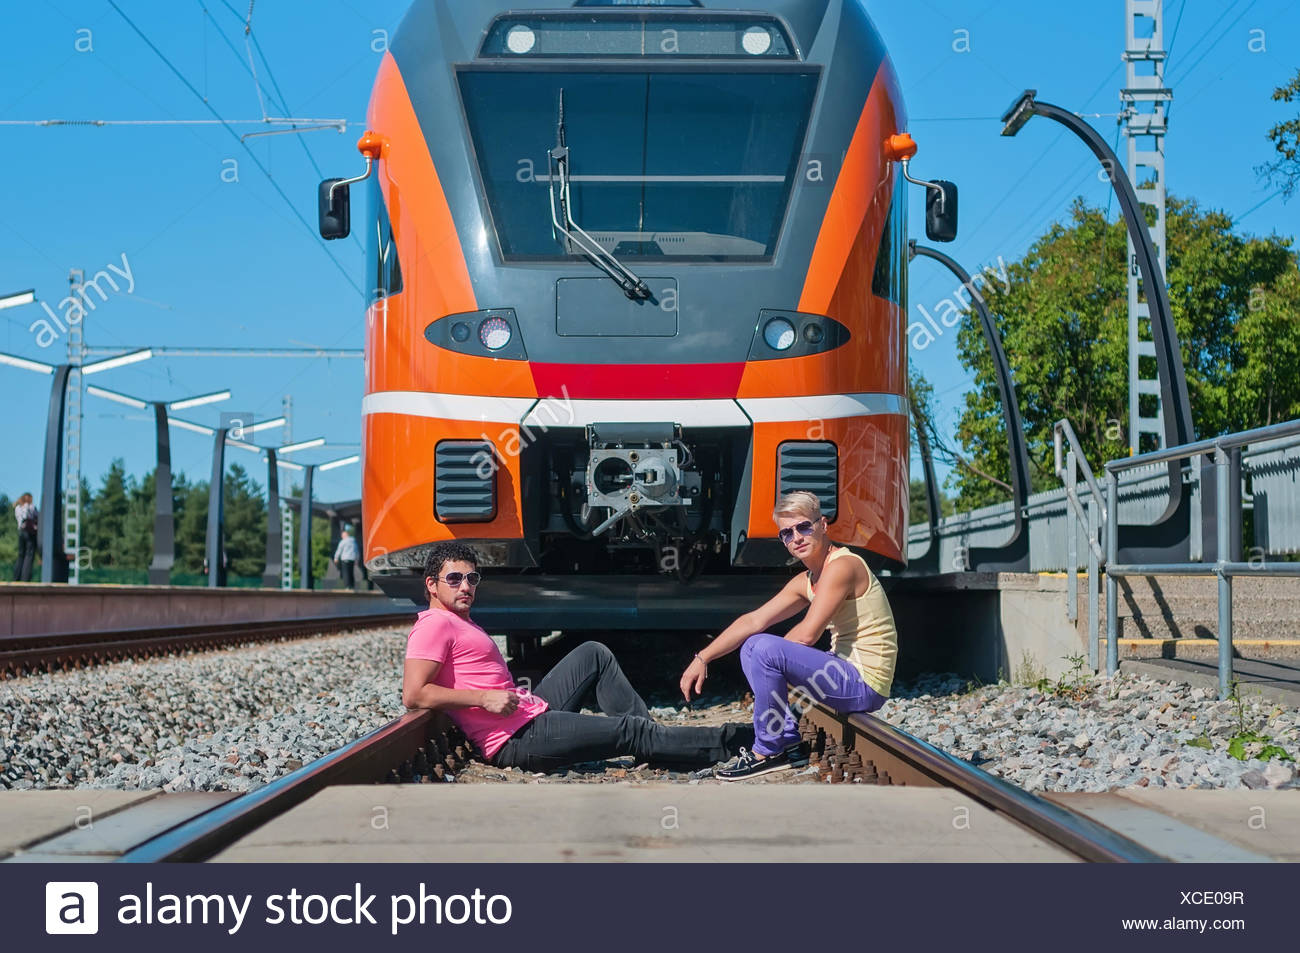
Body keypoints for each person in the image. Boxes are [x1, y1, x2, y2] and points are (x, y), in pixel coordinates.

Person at [402, 541, 752, 774]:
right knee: (629, 730)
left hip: (528, 713)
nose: (465, 586)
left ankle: (654, 740)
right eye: (454, 578)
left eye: (472, 578)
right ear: (432, 584)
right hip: (516, 739)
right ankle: (733, 741)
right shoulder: (434, 625)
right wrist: (484, 699)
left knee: (593, 654)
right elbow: (414, 694)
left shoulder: (459, 620)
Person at [679, 491, 899, 781]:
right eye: (786, 533)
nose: (797, 537)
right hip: (841, 670)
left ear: (823, 525)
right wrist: (703, 657)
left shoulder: (843, 566)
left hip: (864, 682)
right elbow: (754, 619)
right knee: (753, 646)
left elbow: (808, 635)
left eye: (804, 527)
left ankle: (769, 750)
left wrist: (767, 663)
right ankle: (780, 738)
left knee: (761, 648)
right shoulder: (807, 580)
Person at [12, 493, 37, 582]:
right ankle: (25, 578)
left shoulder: (17, 508)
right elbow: (35, 516)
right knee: (29, 555)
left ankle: (16, 577)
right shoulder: (30, 507)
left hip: (21, 532)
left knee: (21, 555)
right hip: (29, 533)